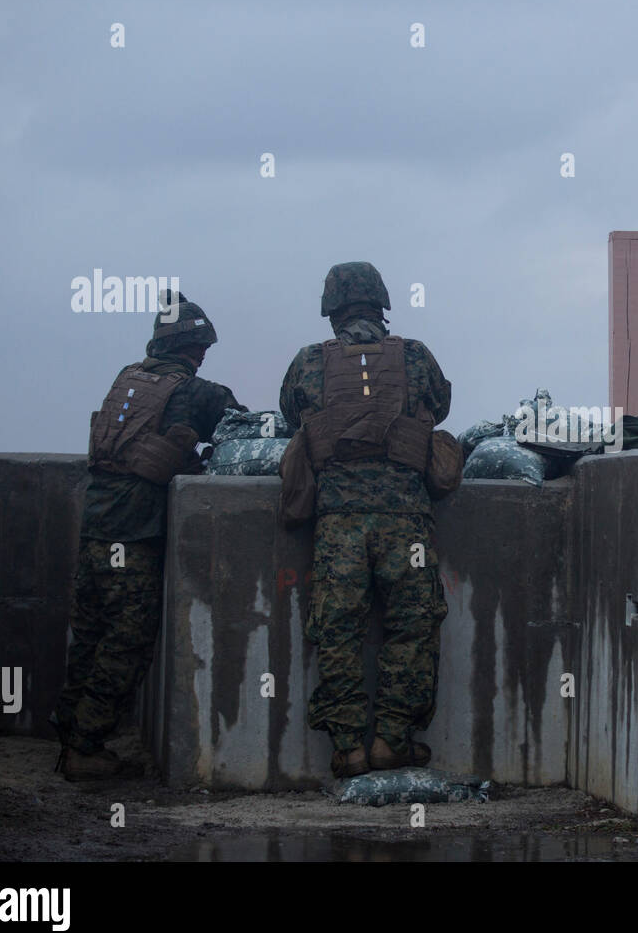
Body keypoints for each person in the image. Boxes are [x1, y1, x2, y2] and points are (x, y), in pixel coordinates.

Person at [52, 290, 246, 780]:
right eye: (201, 348)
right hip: (133, 536)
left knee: (90, 638)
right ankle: (86, 746)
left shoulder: (127, 379)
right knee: (126, 641)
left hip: (96, 530)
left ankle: (71, 733)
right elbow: (244, 426)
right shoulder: (194, 391)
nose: (204, 357)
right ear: (190, 347)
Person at [279, 262, 451, 778]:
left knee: (337, 630)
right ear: (381, 303)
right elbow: (438, 407)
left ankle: (349, 746)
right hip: (406, 519)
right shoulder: (415, 355)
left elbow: (293, 415)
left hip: (338, 521)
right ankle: (392, 740)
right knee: (413, 626)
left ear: (331, 310)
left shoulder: (309, 361)